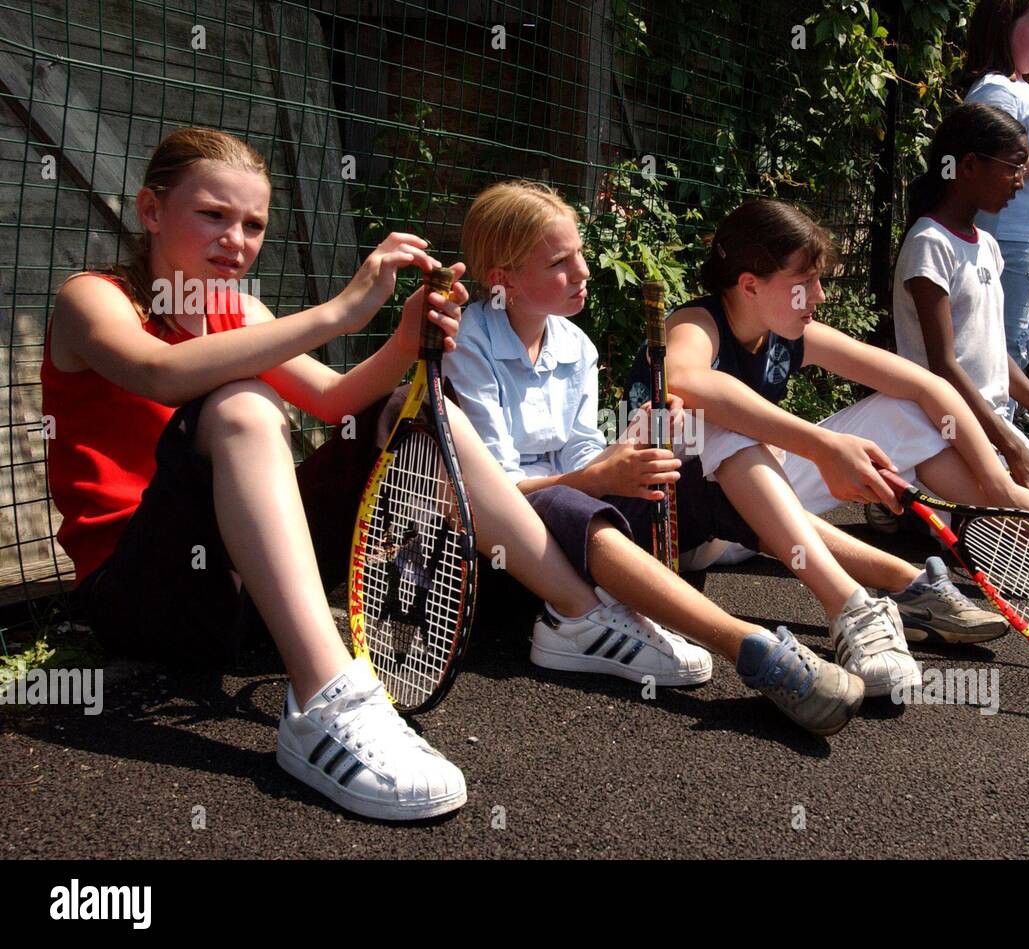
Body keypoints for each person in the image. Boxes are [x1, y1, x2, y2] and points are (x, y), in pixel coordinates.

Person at [39, 128, 805, 826]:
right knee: (241, 406)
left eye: (253, 225)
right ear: (148, 208)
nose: (236, 241)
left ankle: (576, 615)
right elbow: (161, 373)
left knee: (407, 406)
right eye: (214, 216)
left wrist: (407, 338)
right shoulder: (93, 298)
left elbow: (337, 397)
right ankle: (322, 701)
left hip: (238, 600)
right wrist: (341, 312)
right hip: (140, 590)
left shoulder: (237, 308)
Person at [443, 181, 865, 729]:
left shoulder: (575, 345)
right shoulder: (467, 345)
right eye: (558, 263)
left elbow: (584, 451)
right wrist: (598, 478)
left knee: (691, 466)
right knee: (567, 507)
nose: (584, 271)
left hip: (580, 517)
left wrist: (630, 450)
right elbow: (495, 492)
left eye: (580, 253)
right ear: (502, 280)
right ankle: (749, 647)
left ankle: (880, 595)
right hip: (507, 555)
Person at [641, 197, 1029, 667]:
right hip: (679, 526)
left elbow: (926, 385)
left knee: (907, 411)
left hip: (755, 507)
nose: (820, 295)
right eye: (804, 282)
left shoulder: (787, 336)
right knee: (721, 421)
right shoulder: (696, 324)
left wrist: (1000, 487)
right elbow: (685, 378)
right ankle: (852, 607)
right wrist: (823, 445)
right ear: (749, 285)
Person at [896, 101, 1029, 516]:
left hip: (989, 429)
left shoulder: (988, 246)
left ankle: (906, 515)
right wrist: (1015, 447)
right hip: (945, 431)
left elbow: (994, 355)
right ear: (968, 166)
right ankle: (909, 505)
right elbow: (943, 366)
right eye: (1014, 166)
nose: (1021, 181)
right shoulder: (930, 242)